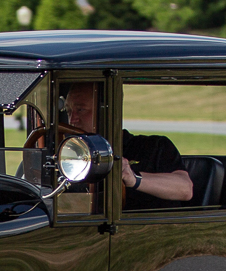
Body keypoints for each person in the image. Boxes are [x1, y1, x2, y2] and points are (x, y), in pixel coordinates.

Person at [29, 82, 192, 208]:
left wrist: (133, 178)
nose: (72, 120)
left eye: (81, 110)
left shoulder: (153, 146)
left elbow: (185, 189)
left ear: (106, 111)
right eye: (69, 111)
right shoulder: (67, 153)